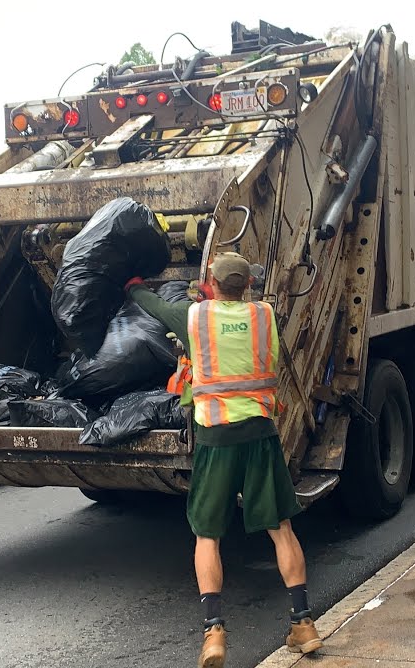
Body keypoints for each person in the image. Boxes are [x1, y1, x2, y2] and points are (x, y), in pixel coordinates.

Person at [127, 252, 322, 668]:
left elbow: (157, 307)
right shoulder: (264, 316)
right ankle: (303, 623)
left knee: (208, 535)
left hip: (216, 439)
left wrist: (135, 286)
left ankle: (214, 632)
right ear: (247, 285)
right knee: (281, 528)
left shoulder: (194, 318)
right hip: (260, 434)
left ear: (212, 285)